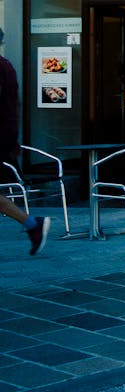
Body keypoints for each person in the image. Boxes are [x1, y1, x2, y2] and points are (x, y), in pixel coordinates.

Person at [1, 26, 50, 255]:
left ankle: (33, 225)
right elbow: (13, 108)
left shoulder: (2, 68)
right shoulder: (6, 67)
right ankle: (33, 225)